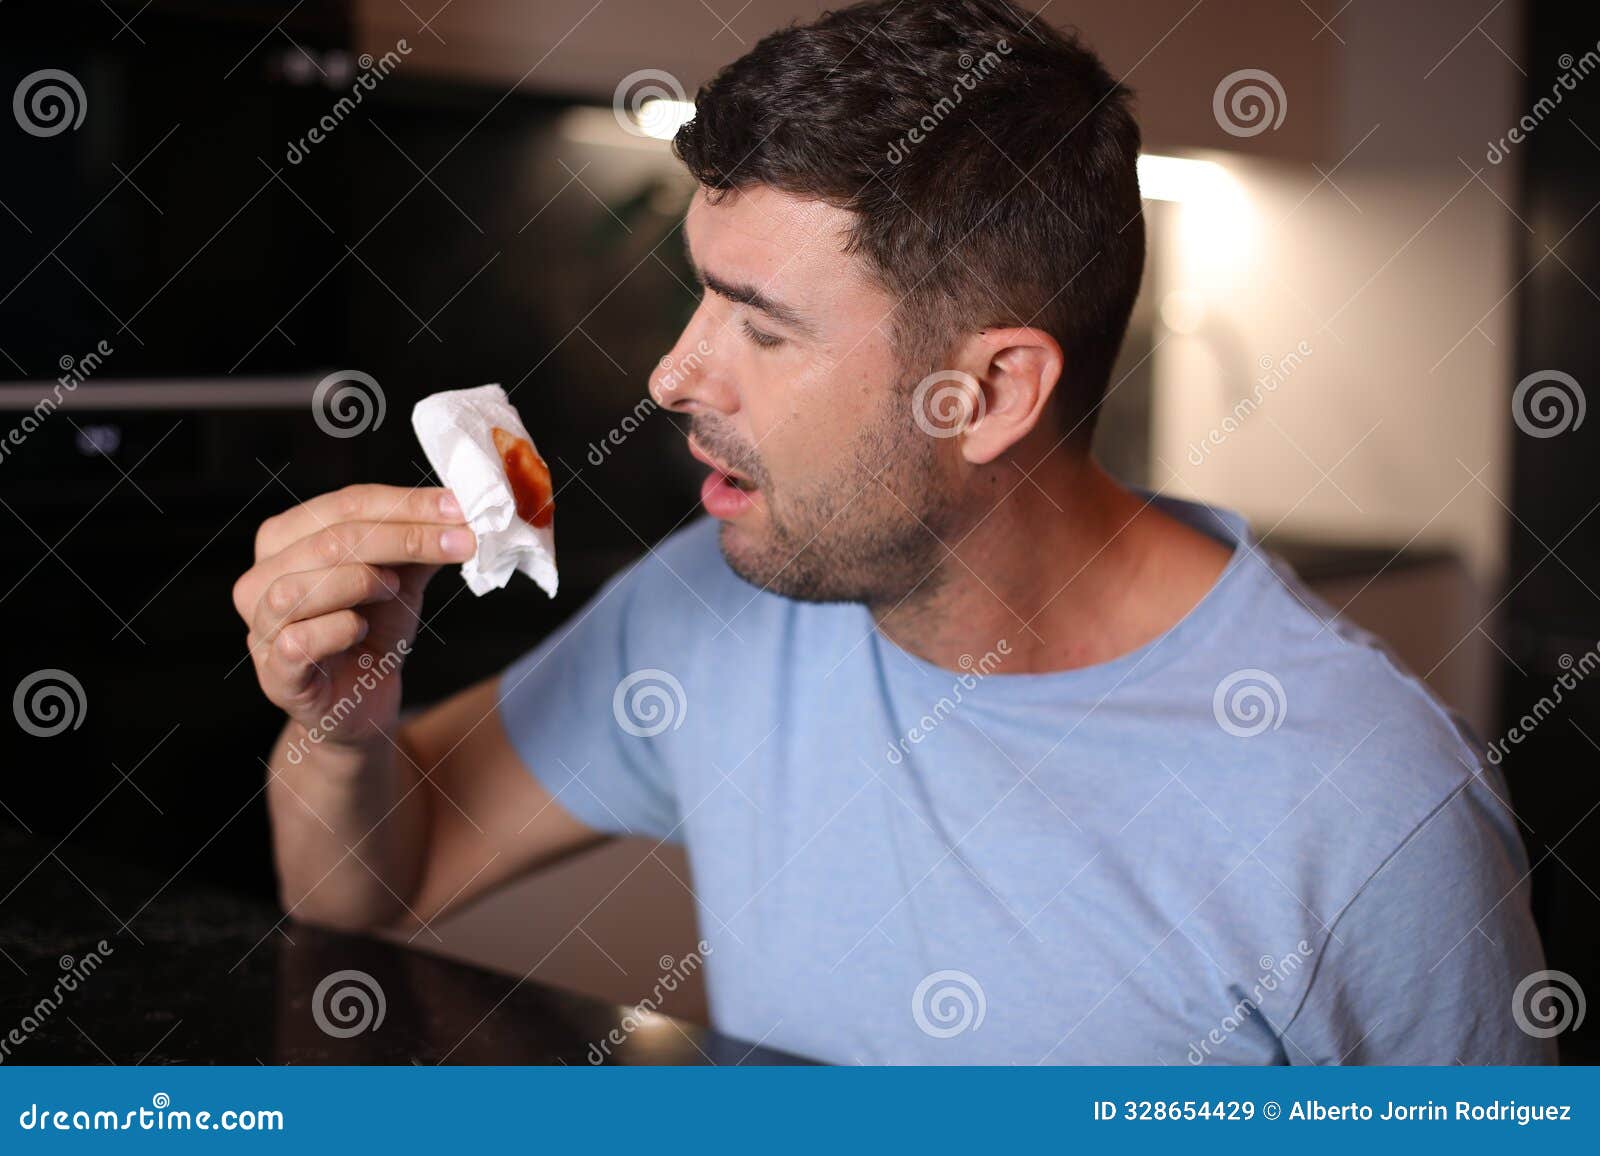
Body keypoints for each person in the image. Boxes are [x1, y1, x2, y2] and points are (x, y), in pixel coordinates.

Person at [232, 0, 1551, 1064]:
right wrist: (338, 726)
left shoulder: (1365, 806)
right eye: (703, 299)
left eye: (761, 324)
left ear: (986, 393)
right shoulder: (707, 612)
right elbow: (365, 892)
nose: (674, 377)